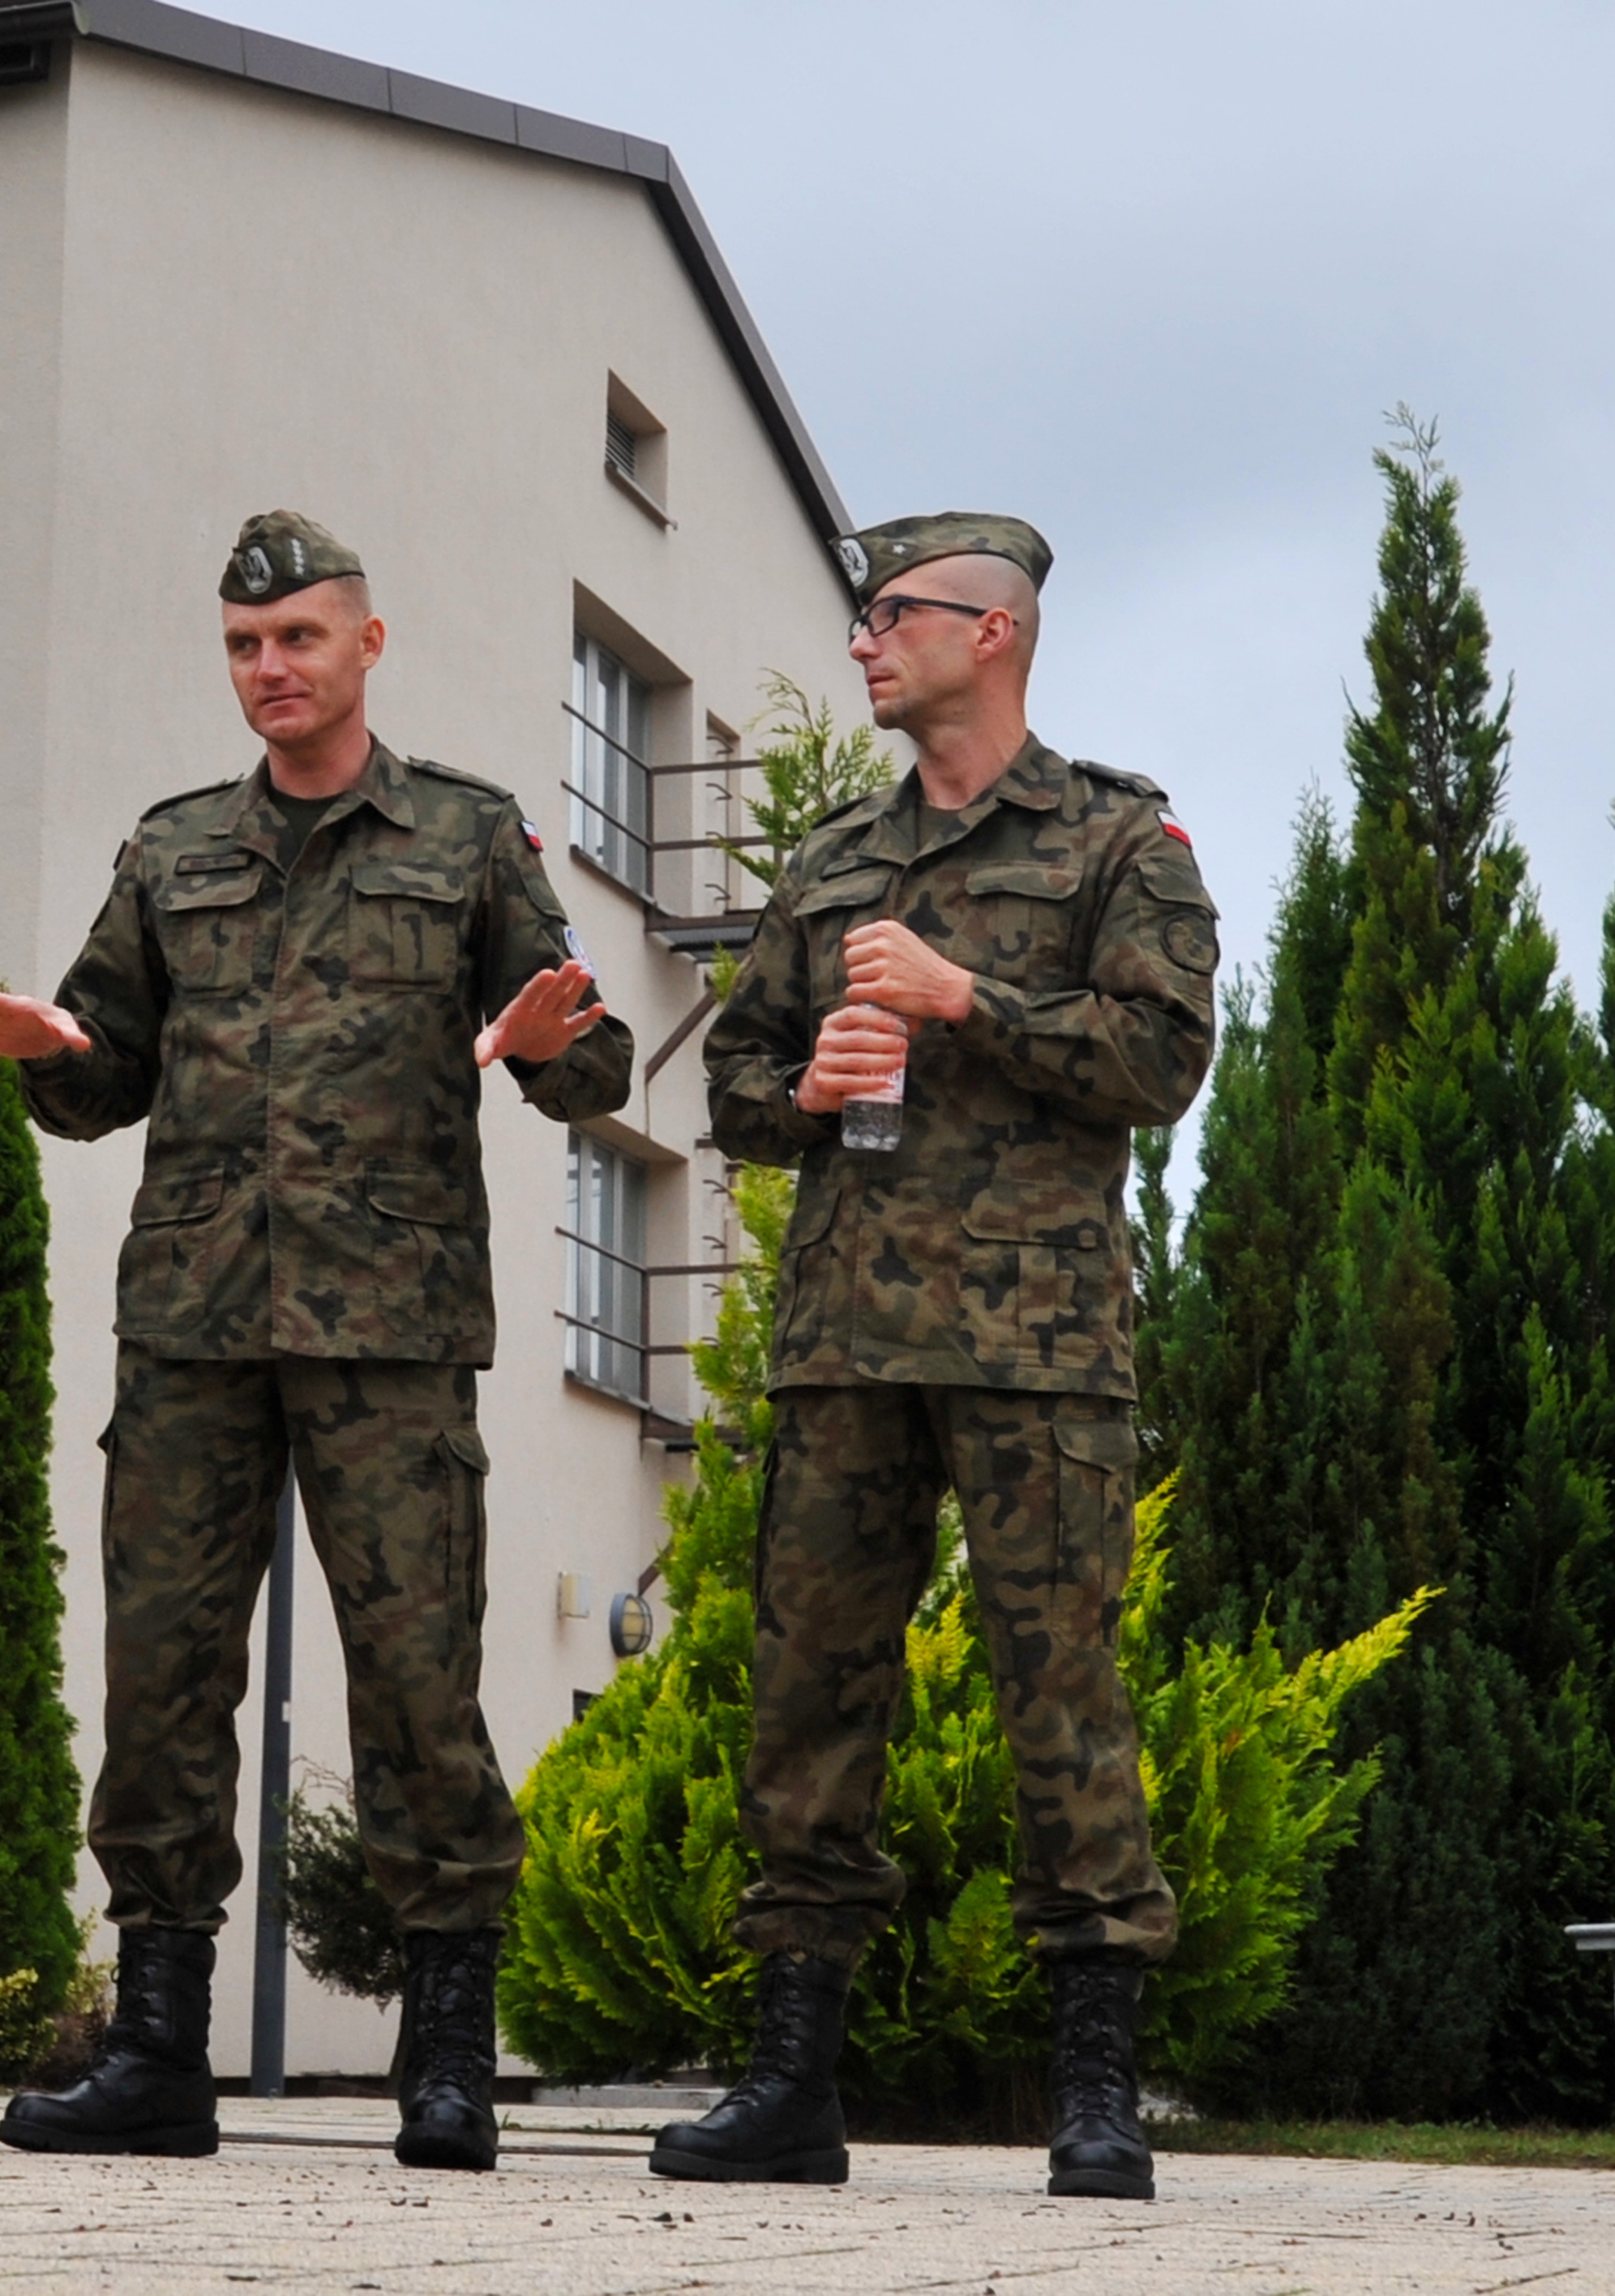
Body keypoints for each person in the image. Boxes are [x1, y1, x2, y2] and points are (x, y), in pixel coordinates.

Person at [0, 512, 632, 2171]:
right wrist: (52, 1048)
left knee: (417, 1687)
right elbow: (106, 1079)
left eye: (300, 640)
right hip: (193, 1326)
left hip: (389, 1331)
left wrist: (549, 1041)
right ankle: (159, 2049)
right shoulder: (173, 849)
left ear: (365, 647)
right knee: (163, 1678)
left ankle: (445, 2058)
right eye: (246, 645)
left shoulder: (468, 838)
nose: (271, 670)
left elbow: (589, 1073)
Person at [659, 512, 1219, 2198]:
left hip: (1035, 1339)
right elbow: (735, 1083)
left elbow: (1158, 1059)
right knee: (808, 1692)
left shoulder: (1122, 838)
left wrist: (970, 998)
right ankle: (789, 2086)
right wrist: (805, 1091)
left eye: (893, 614)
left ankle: (1097, 2094)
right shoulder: (832, 860)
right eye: (861, 615)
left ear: (993, 630)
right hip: (844, 1337)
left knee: (1063, 1691)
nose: (863, 642)